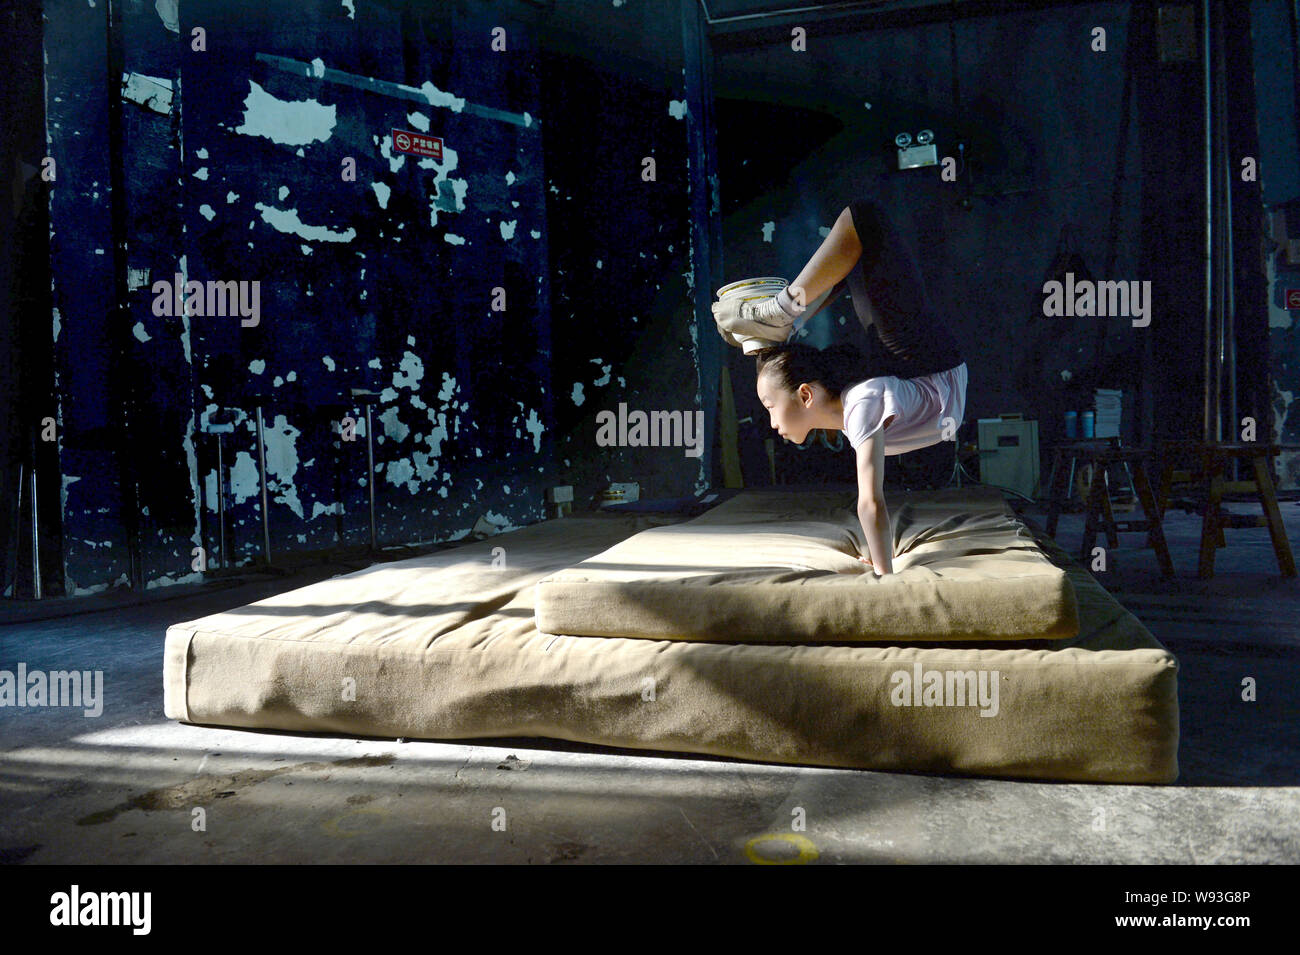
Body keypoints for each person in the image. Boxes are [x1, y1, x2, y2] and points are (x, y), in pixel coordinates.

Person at [711, 199, 968, 575]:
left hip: (925, 363)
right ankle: (786, 320)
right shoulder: (861, 403)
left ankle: (781, 315)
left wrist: (883, 572)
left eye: (769, 405)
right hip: (927, 367)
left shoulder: (861, 403)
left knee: (863, 223)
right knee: (857, 250)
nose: (769, 421)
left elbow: (871, 503)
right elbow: (872, 505)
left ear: (805, 393)